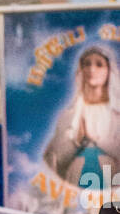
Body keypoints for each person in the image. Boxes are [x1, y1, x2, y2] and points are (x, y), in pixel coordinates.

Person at [42, 46, 120, 187]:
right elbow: (54, 160)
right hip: (76, 183)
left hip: (111, 183)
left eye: (99, 64)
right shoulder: (69, 114)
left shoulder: (117, 115)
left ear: (109, 71)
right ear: (81, 70)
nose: (92, 70)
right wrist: (77, 142)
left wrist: (97, 139)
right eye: (87, 64)